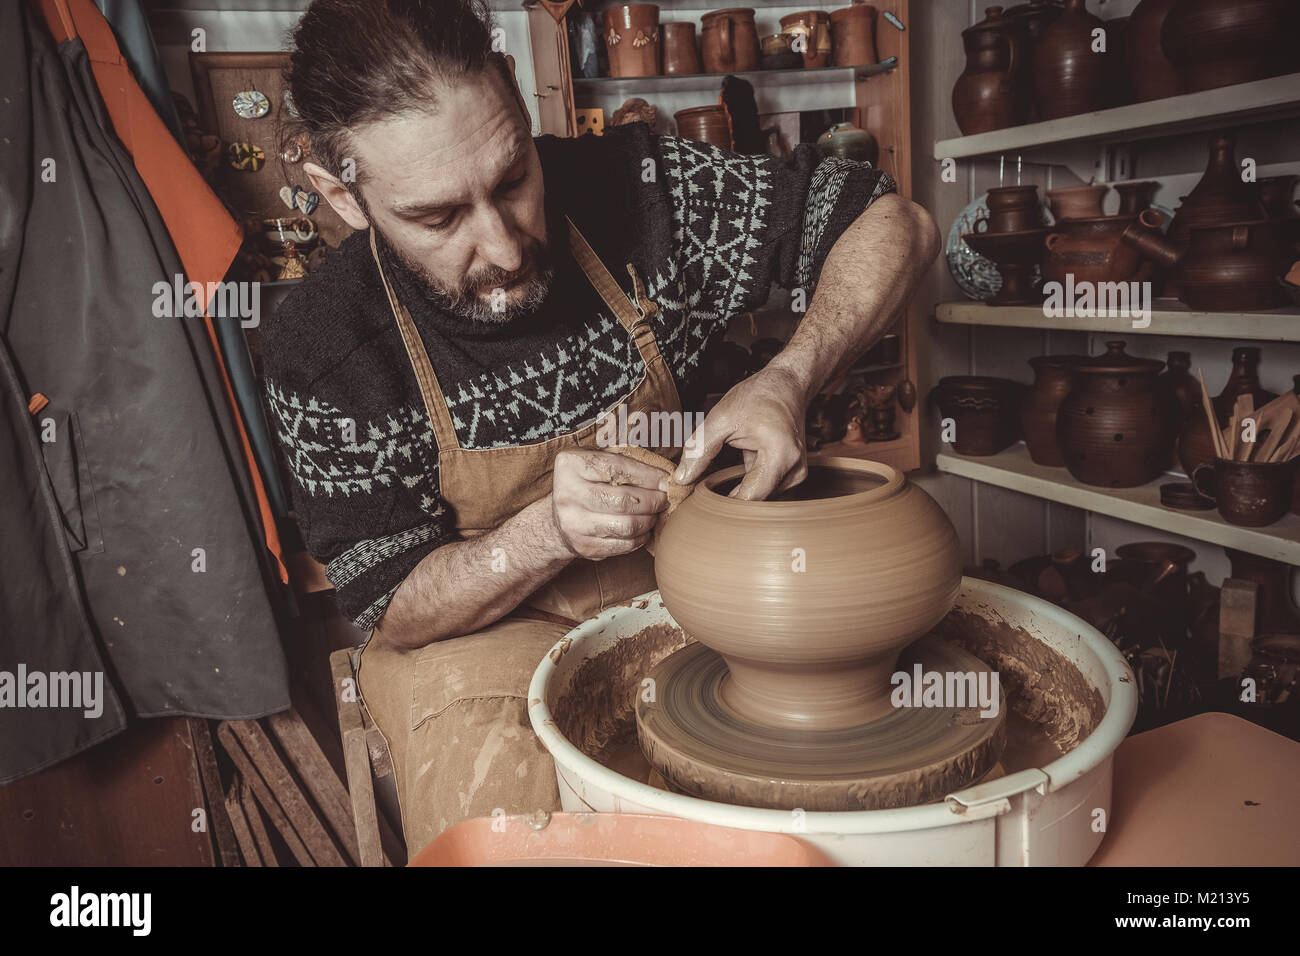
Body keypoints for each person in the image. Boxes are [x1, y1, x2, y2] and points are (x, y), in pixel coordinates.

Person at [261, 0, 940, 857]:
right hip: (476, 638)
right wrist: (543, 533)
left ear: (513, 91)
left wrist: (788, 377)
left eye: (512, 180)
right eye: (438, 219)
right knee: (505, 825)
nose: (504, 248)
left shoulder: (644, 186)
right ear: (343, 196)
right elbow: (392, 605)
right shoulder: (322, 347)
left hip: (686, 585)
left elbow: (894, 224)